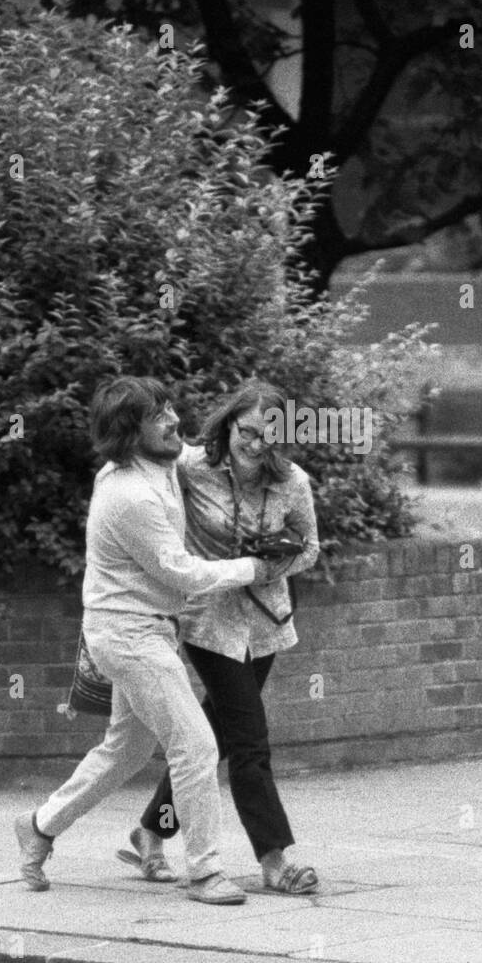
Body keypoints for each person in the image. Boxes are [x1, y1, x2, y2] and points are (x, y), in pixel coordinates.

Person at [14, 376, 272, 905]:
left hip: (144, 629)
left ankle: (38, 826)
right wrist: (254, 566)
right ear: (131, 436)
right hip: (129, 634)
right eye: (158, 416)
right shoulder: (129, 495)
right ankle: (204, 871)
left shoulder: (161, 461)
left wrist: (250, 440)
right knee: (197, 745)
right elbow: (181, 573)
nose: (174, 419)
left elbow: (203, 455)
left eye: (169, 406)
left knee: (125, 751)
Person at [116, 381, 321, 895]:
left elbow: (311, 550)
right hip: (208, 622)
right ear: (229, 424)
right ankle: (275, 860)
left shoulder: (293, 482)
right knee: (250, 738)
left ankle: (150, 829)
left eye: (269, 436)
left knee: (222, 735)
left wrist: (275, 560)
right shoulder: (190, 468)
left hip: (266, 622)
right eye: (247, 432)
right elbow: (132, 467)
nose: (256, 444)